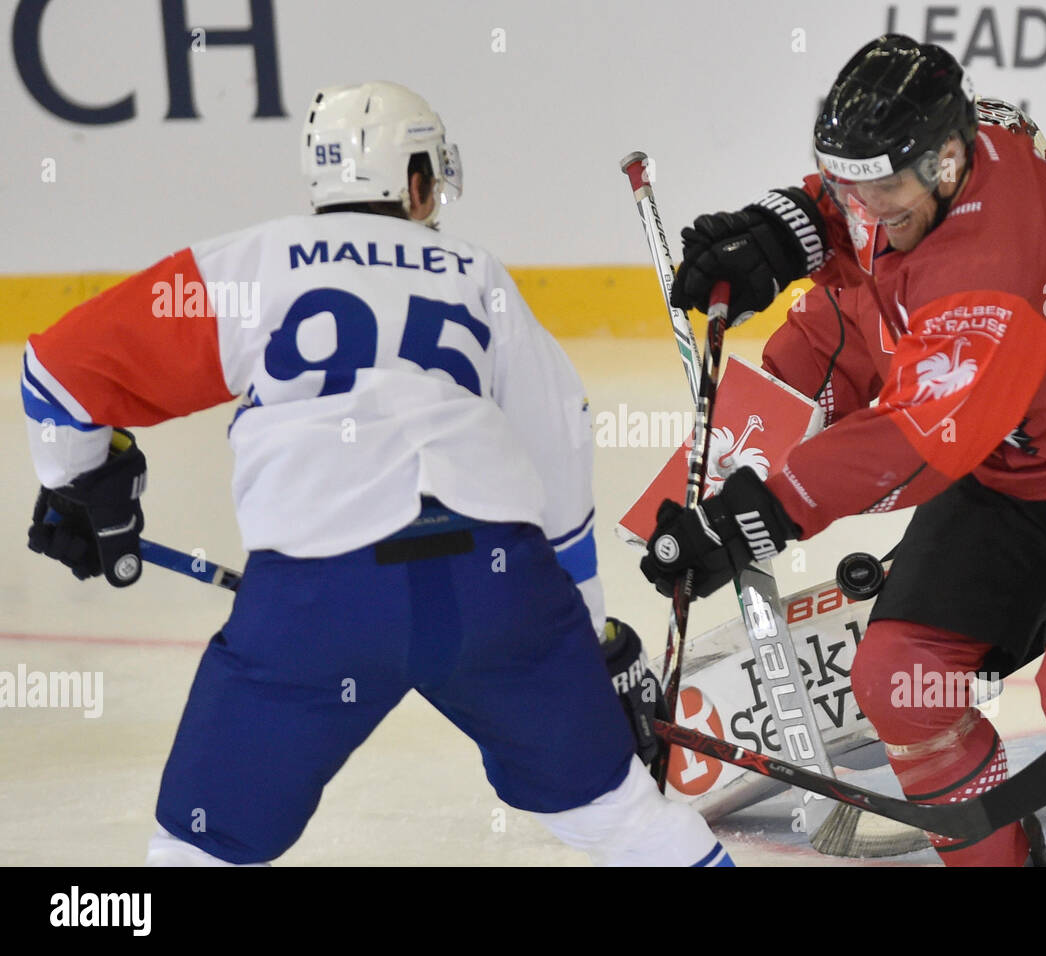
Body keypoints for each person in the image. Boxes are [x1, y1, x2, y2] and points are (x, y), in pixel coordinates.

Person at [23, 81, 730, 867]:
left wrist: (82, 487)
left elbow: (56, 372)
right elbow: (561, 437)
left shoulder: (254, 261)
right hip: (495, 586)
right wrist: (584, 633)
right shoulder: (475, 271)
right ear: (417, 182)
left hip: (317, 595)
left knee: (200, 845)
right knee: (621, 818)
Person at [640, 35, 1046, 866]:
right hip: (1014, 471)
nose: (865, 209)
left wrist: (755, 519)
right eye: (853, 184)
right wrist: (774, 234)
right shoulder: (898, 200)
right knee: (897, 678)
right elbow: (816, 349)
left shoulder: (1000, 258)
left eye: (882, 188)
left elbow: (920, 440)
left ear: (954, 164)